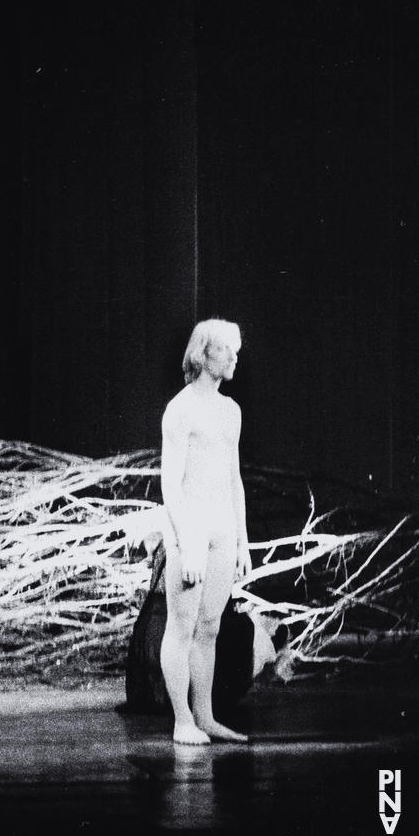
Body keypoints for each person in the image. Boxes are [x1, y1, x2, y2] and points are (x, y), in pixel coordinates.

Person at [159, 319, 251, 745]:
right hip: (190, 527)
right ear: (203, 353)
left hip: (221, 527)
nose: (235, 357)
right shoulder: (180, 409)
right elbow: (170, 483)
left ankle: (205, 715)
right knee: (181, 625)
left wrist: (242, 541)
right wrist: (187, 542)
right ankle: (182, 721)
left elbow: (234, 480)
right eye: (226, 349)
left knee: (210, 626)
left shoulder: (230, 410)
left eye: (236, 349)